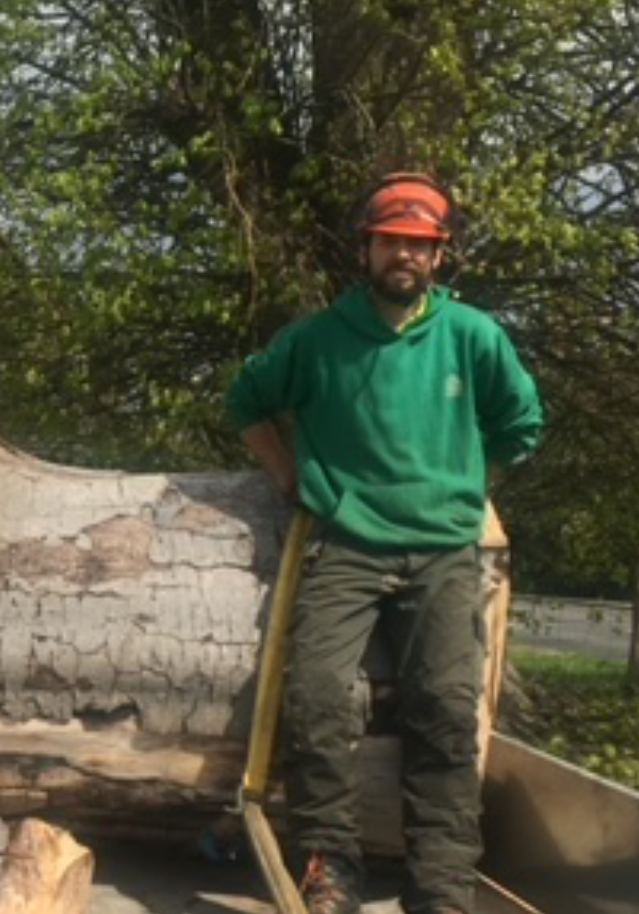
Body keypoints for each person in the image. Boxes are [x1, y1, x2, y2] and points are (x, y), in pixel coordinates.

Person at [224, 173, 544, 914]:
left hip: (443, 551)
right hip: (347, 542)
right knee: (316, 696)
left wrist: (467, 483)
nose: (405, 255)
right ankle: (329, 870)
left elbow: (521, 426)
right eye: (392, 240)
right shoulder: (318, 340)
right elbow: (246, 403)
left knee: (442, 704)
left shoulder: (472, 338)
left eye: (421, 244)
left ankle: (438, 885)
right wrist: (288, 479)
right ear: (364, 248)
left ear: (439, 257)